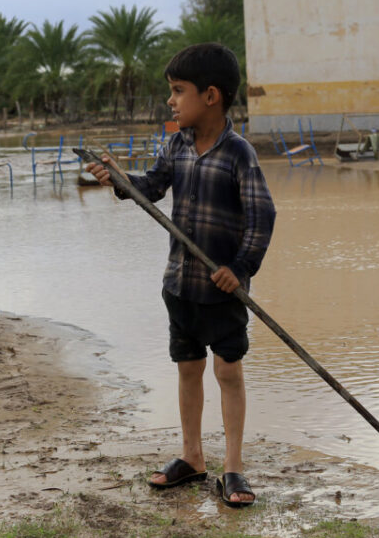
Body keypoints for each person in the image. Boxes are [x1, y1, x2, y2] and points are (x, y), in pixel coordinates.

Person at [86, 42, 275, 507]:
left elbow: (262, 217)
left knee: (227, 371)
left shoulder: (239, 154)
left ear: (211, 96)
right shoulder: (176, 145)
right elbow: (151, 188)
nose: (170, 101)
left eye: (178, 91)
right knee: (188, 368)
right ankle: (192, 456)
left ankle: (233, 467)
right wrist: (120, 179)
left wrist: (240, 269)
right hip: (180, 284)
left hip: (222, 289)